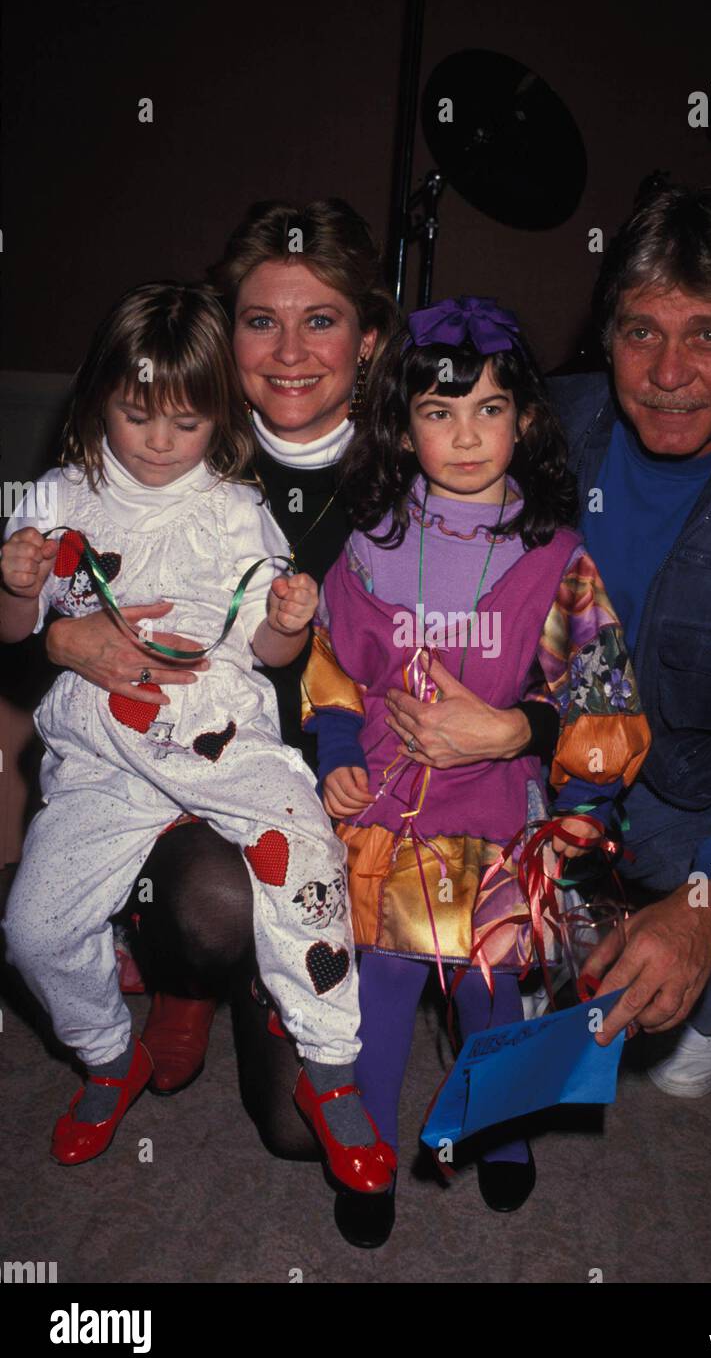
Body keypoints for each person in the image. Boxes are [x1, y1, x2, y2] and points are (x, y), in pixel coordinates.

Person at [37, 201, 554, 1160]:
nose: (287, 351)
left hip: (360, 797)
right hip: (171, 764)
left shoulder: (430, 448)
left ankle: (271, 986)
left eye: (320, 319)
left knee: (293, 1134)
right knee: (210, 910)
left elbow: (546, 604)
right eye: (259, 320)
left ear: (368, 341)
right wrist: (62, 638)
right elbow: (37, 572)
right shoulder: (165, 437)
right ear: (219, 331)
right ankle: (190, 971)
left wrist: (522, 731)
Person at [387, 185, 711, 1099]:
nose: (668, 372)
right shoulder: (532, 424)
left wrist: (700, 912)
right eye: (641, 332)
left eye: (709, 335)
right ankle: (533, 947)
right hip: (518, 757)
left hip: (677, 799)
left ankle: (673, 997)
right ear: (605, 336)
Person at [0, 282, 395, 1194]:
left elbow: (266, 647)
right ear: (99, 394)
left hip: (220, 733)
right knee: (31, 926)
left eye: (184, 424)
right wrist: (20, 584)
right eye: (137, 415)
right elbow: (13, 630)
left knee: (306, 847)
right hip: (105, 749)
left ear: (217, 417)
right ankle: (109, 1056)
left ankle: (329, 1072)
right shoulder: (59, 495)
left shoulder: (231, 506)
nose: (157, 443)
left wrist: (292, 619)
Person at [301, 296, 651, 1244]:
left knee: (488, 990)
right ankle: (365, 1153)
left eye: (489, 410)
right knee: (376, 993)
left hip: (496, 818)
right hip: (381, 811)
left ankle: (500, 1130)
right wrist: (335, 752)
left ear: (525, 419)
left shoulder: (558, 557)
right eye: (438, 413)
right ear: (402, 426)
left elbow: (606, 705)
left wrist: (527, 737)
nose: (465, 436)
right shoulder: (367, 550)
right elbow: (330, 669)